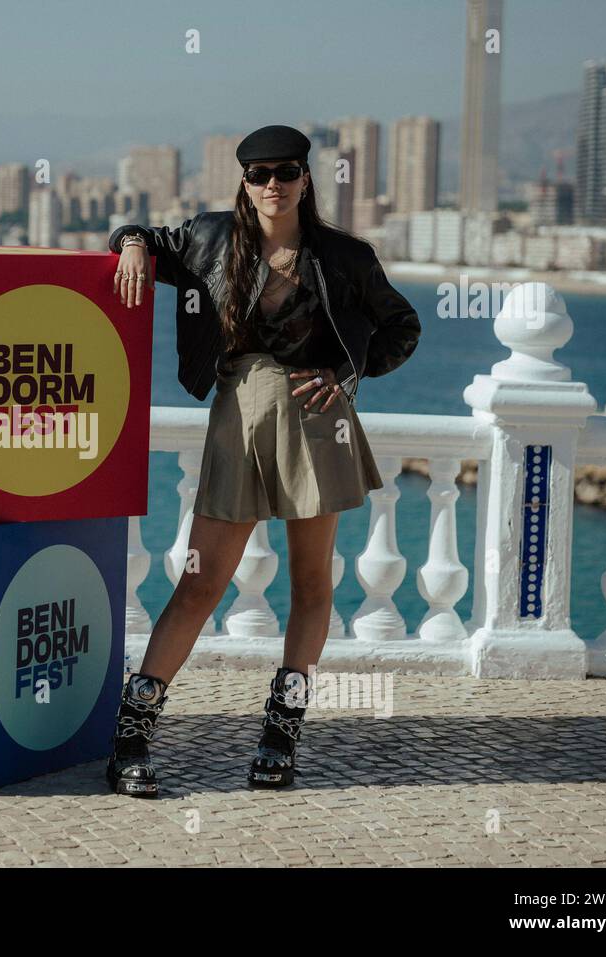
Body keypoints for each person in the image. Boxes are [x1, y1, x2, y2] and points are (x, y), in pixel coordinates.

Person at [105, 125, 421, 795]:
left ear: (307, 179)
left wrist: (344, 371)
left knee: (312, 584)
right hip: (239, 418)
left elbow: (402, 327)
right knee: (199, 580)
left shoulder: (345, 256)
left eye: (286, 171)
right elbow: (140, 233)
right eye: (259, 174)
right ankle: (133, 731)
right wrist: (132, 245)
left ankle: (282, 732)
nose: (272, 184)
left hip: (317, 422)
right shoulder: (212, 238)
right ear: (243, 183)